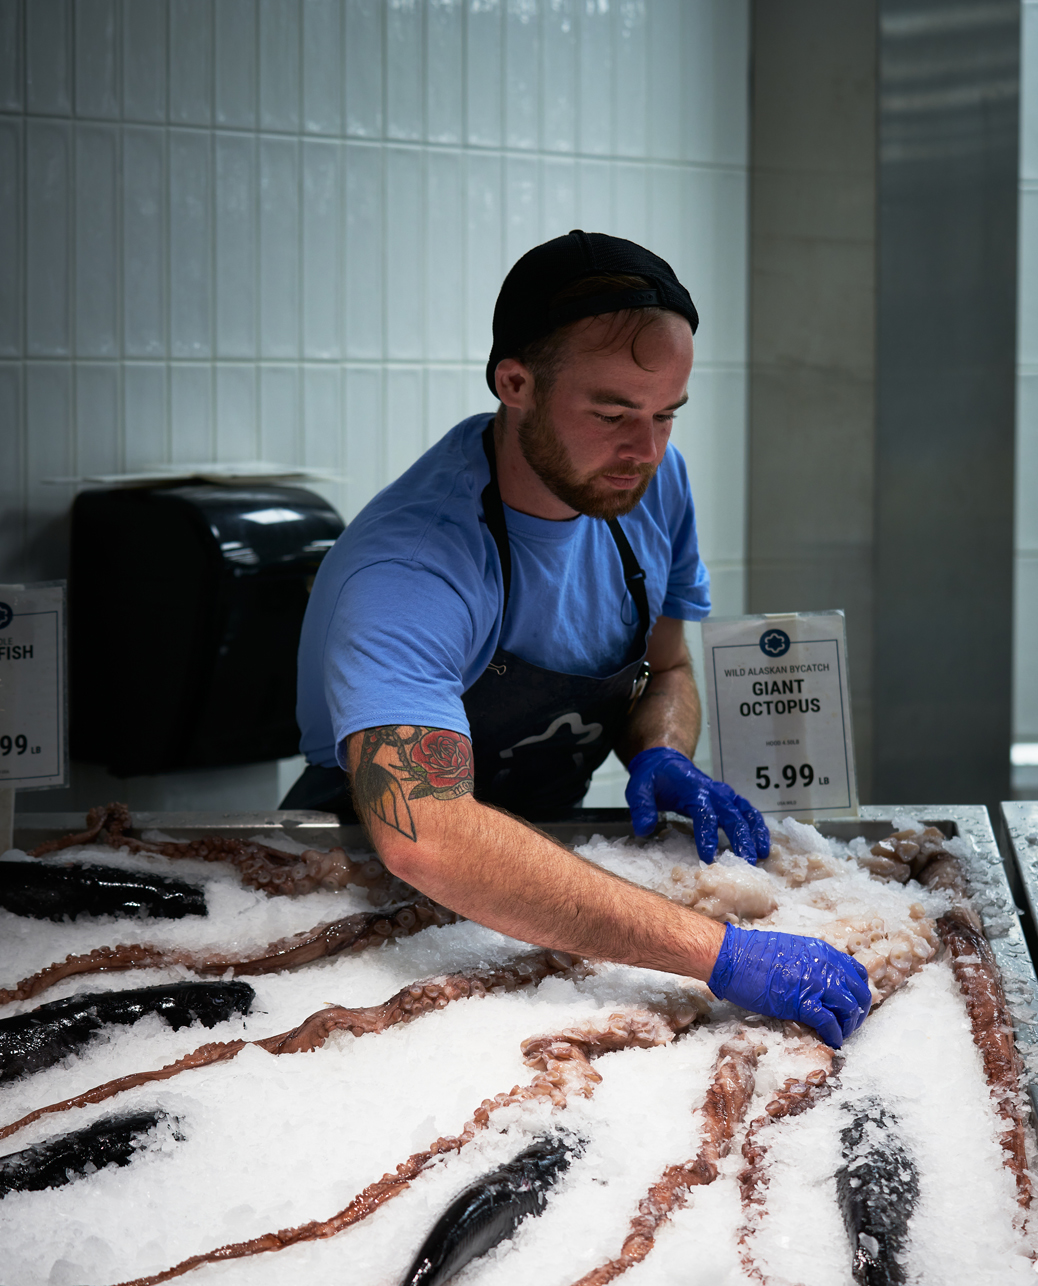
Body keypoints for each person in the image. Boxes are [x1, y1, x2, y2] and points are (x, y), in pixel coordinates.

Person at [283, 230, 870, 1049]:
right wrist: (718, 954)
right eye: (612, 413)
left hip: (565, 874)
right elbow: (429, 836)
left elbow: (664, 667)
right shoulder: (412, 565)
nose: (647, 449)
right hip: (365, 892)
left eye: (666, 414)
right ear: (514, 382)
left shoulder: (646, 484)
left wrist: (660, 752)